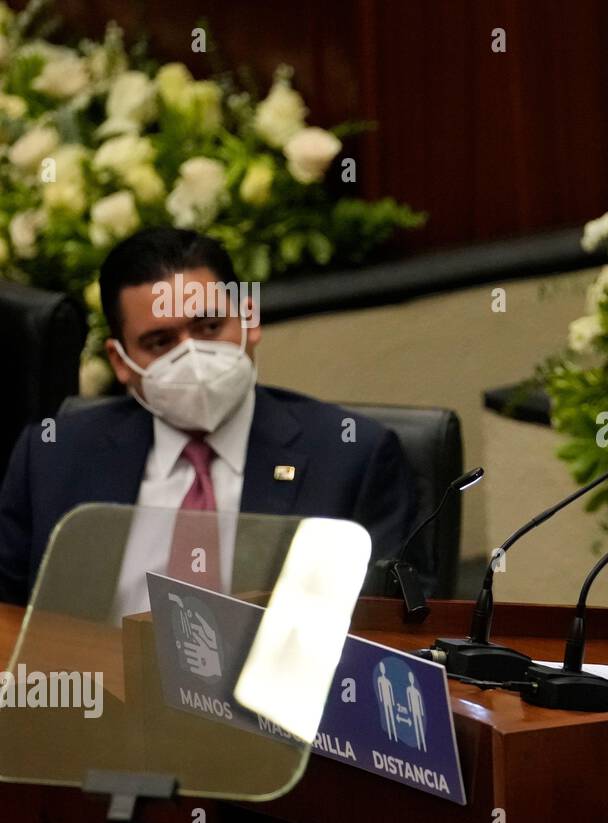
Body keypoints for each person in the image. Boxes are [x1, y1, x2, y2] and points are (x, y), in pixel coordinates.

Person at [0, 227, 417, 614]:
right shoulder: (52, 458)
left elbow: (385, 633)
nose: (192, 355)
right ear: (120, 361)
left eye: (210, 327)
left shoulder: (351, 459)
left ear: (249, 322)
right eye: (160, 341)